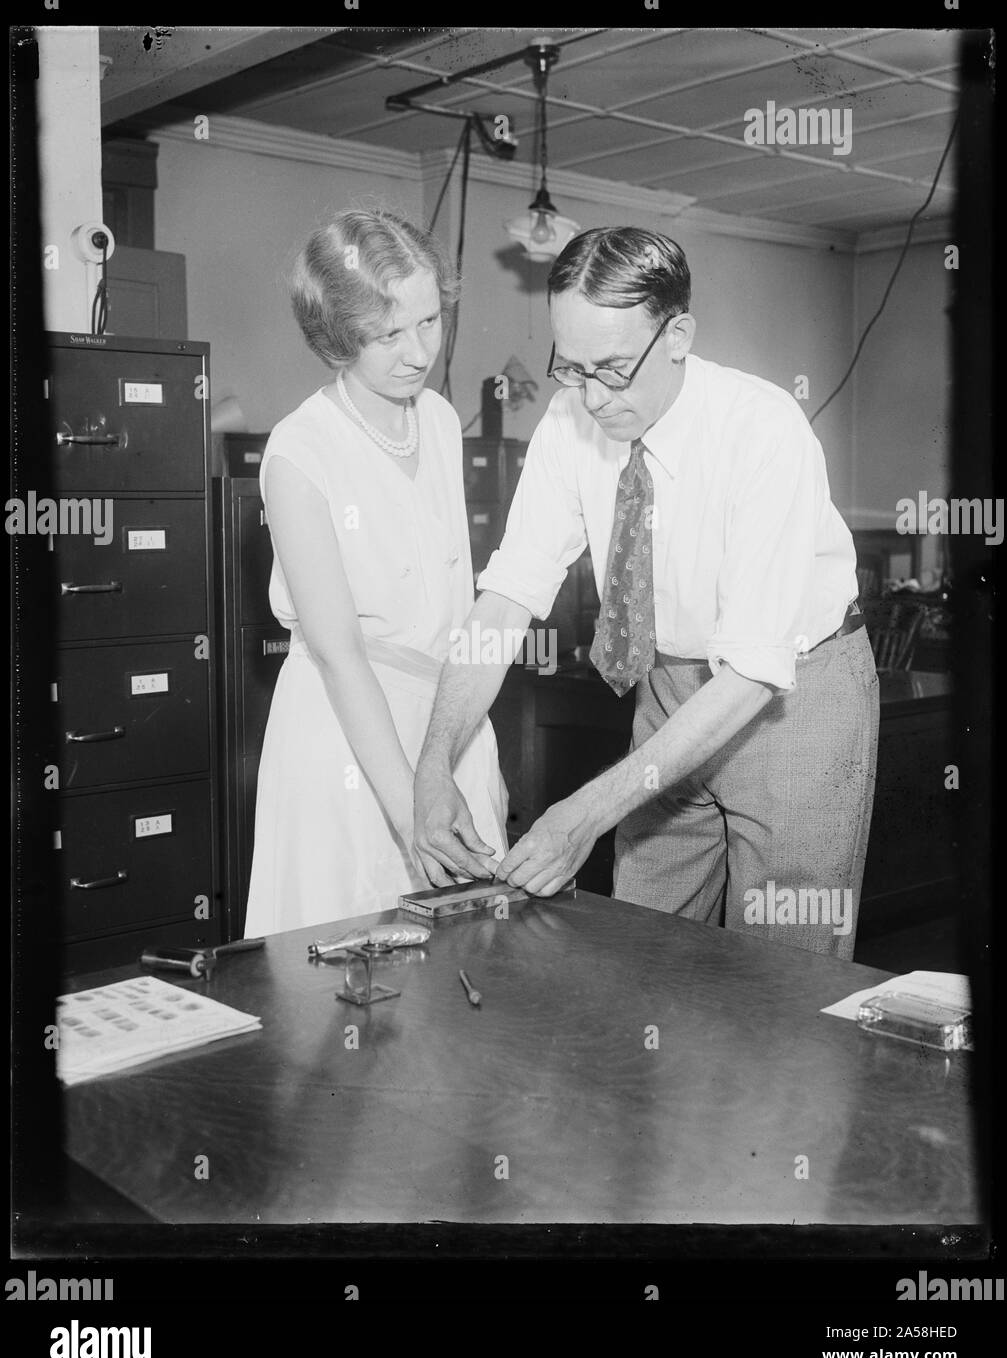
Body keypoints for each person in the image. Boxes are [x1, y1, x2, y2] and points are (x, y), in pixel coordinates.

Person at [413, 226, 879, 959]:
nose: (592, 397)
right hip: (668, 686)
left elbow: (755, 670)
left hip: (791, 697)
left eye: (613, 369)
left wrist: (586, 812)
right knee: (638, 949)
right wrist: (433, 762)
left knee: (783, 972)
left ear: (677, 335)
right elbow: (502, 602)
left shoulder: (762, 430)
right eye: (571, 368)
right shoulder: (568, 421)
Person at [244, 210, 508, 937]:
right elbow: (338, 653)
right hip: (345, 731)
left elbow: (453, 610)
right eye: (388, 334)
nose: (418, 351)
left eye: (429, 322)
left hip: (446, 723)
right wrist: (409, 809)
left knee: (467, 962)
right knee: (347, 970)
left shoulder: (441, 422)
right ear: (335, 337)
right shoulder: (302, 453)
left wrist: (465, 760)